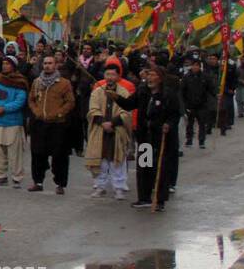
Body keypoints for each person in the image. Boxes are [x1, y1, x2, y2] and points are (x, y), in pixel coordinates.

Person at [115, 67, 180, 212]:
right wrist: (116, 98)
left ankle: (159, 200)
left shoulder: (168, 94)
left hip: (161, 138)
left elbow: (175, 115)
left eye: (153, 75)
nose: (149, 78)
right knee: (144, 167)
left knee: (160, 169)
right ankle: (144, 197)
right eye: (148, 75)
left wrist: (168, 124)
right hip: (145, 137)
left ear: (160, 78)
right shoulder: (142, 91)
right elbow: (129, 104)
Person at [86, 59, 133, 200]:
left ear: (118, 76)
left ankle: (119, 188)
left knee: (117, 161)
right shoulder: (97, 92)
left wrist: (112, 123)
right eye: (107, 74)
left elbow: (126, 111)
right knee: (101, 161)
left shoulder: (124, 92)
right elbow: (92, 110)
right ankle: (100, 187)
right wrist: (103, 123)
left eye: (113, 75)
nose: (110, 78)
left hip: (117, 130)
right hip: (99, 130)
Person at [27, 54, 75, 194]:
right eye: (45, 63)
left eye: (50, 63)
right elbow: (31, 100)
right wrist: (36, 112)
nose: (47, 65)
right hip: (40, 123)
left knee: (59, 155)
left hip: (57, 124)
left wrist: (60, 113)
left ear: (55, 65)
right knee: (37, 154)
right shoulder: (37, 82)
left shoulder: (63, 83)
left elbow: (70, 102)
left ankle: (60, 184)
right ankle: (38, 182)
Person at [0, 57, 29, 188]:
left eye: (7, 64)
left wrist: (4, 108)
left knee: (14, 151)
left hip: (12, 122)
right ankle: (0, 176)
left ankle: (17, 177)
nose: (5, 66)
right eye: (3, 63)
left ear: (13, 66)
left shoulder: (20, 82)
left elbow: (20, 101)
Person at [181, 57, 216, 149]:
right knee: (190, 124)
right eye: (194, 65)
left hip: (202, 104)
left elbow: (211, 89)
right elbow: (182, 91)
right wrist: (184, 103)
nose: (195, 67)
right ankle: (189, 140)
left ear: (200, 67)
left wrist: (216, 95)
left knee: (202, 123)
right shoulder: (186, 77)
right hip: (190, 104)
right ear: (191, 66)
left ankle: (201, 141)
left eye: (197, 65)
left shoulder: (205, 77)